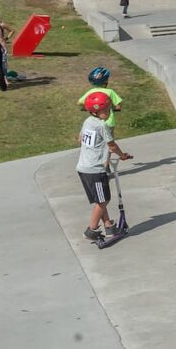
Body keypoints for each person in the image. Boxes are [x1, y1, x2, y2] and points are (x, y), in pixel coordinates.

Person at [78, 91, 132, 242]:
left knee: (99, 200)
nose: (108, 113)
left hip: (83, 168)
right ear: (95, 111)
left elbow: (80, 139)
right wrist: (122, 156)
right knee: (103, 201)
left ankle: (108, 226)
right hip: (95, 170)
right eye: (105, 110)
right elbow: (112, 146)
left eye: (109, 109)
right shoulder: (102, 126)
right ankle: (92, 230)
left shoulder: (88, 121)